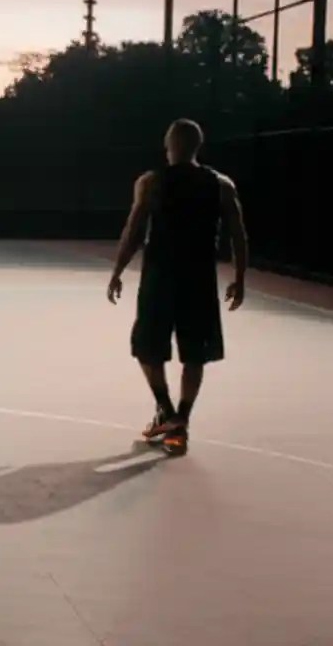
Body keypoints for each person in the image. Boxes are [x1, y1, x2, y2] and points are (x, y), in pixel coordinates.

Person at [108, 118, 248, 456]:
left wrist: (117, 270)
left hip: (160, 277)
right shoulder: (221, 184)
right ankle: (179, 421)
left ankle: (167, 411)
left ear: (168, 145)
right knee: (194, 354)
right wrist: (239, 278)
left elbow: (134, 231)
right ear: (198, 146)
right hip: (199, 278)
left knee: (146, 346)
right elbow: (238, 234)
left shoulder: (151, 183)